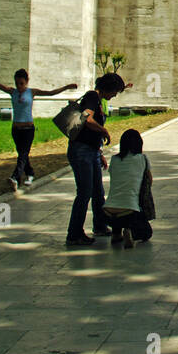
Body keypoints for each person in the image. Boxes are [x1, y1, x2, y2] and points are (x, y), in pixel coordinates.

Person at [0, 61, 76, 191]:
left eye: (21, 83)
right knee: (23, 154)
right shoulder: (12, 92)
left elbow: (50, 93)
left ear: (27, 81)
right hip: (16, 129)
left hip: (28, 129)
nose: (19, 86)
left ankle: (15, 178)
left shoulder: (32, 92)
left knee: (22, 154)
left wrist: (67, 87)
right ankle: (30, 174)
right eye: (17, 83)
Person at [65, 74, 123, 247]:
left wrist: (100, 153)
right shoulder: (92, 97)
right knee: (84, 192)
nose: (115, 95)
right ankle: (74, 234)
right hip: (81, 151)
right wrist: (103, 130)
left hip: (91, 151)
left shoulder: (97, 100)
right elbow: (87, 119)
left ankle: (100, 225)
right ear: (108, 88)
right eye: (115, 91)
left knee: (98, 191)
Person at [104, 128, 153, 247]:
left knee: (120, 200)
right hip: (130, 212)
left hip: (107, 212)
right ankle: (129, 230)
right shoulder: (143, 159)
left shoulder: (114, 159)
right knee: (147, 234)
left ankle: (116, 234)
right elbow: (149, 181)